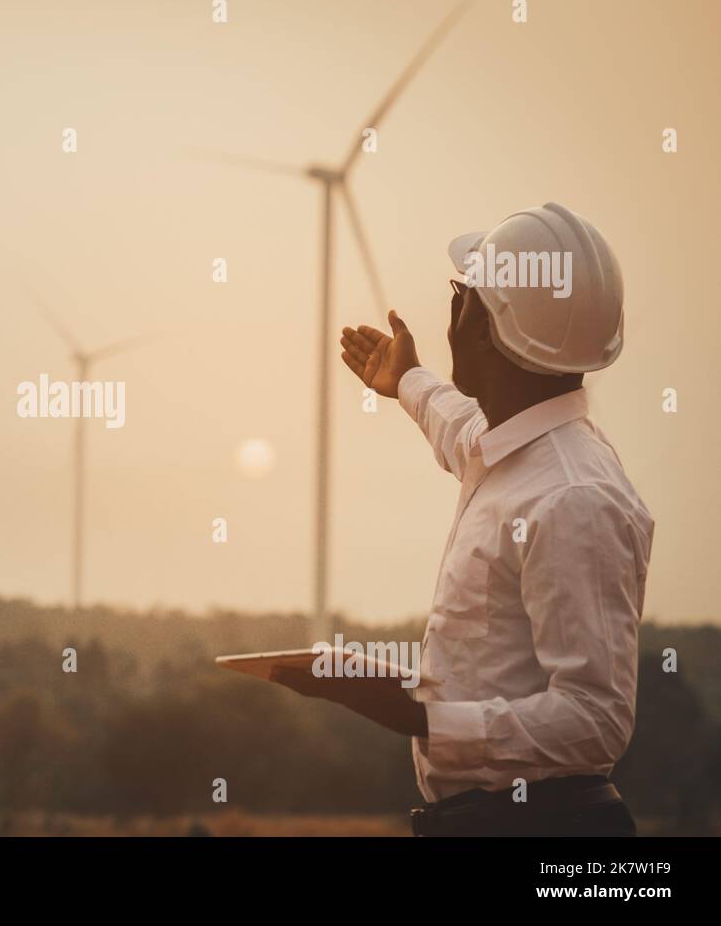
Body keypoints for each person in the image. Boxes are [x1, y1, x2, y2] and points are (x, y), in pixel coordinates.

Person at [273, 203, 653, 836]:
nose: (453, 308)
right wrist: (409, 381)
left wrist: (422, 715)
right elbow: (461, 428)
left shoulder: (572, 496)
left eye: (463, 293)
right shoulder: (513, 447)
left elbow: (595, 720)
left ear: (477, 326)